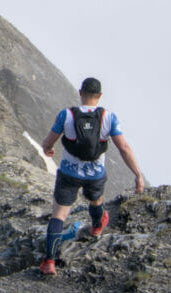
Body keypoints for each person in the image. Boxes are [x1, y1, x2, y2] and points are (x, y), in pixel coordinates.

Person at [35, 77, 145, 277]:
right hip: (94, 174)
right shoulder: (108, 118)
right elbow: (124, 148)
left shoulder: (66, 115)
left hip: (69, 173)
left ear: (80, 92)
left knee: (59, 215)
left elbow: (49, 141)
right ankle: (96, 227)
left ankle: (49, 262)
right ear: (100, 96)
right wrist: (137, 175)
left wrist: (48, 148)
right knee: (96, 200)